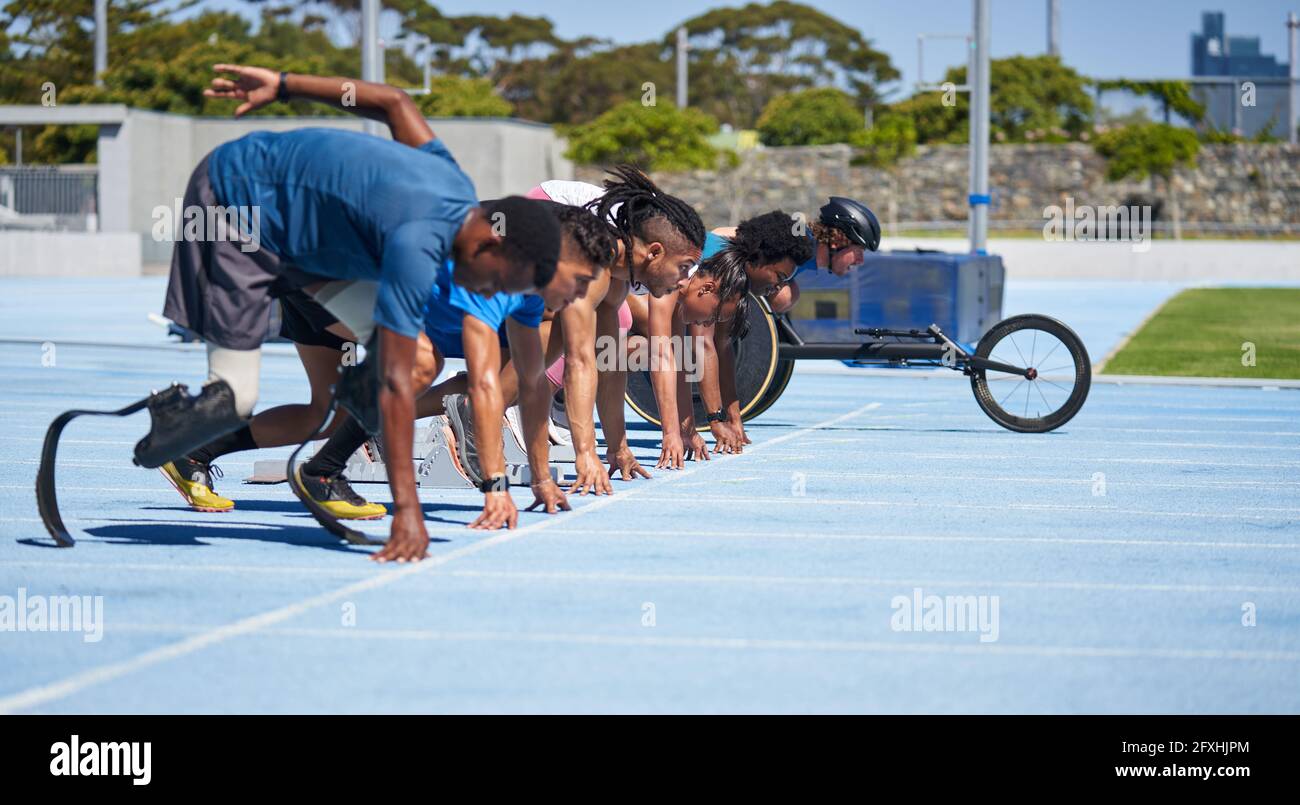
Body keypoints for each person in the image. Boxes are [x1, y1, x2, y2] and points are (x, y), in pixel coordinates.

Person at [149, 64, 562, 562]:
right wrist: (407, 513)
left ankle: (320, 465)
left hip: (310, 255)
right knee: (238, 398)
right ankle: (179, 418)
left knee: (411, 367)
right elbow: (391, 386)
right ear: (495, 244)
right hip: (235, 206)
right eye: (499, 281)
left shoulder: (452, 184)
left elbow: (395, 103)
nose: (492, 294)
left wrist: (283, 87)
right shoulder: (417, 247)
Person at [284, 202, 617, 529]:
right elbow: (483, 387)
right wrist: (495, 487)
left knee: (327, 413)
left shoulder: (527, 293)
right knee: (423, 363)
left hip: (361, 282)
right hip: (318, 272)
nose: (580, 296)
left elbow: (532, 383)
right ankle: (325, 465)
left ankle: (321, 464)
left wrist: (541, 478)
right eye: (580, 281)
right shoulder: (493, 276)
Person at [630, 198, 881, 459]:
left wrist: (733, 416)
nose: (861, 261)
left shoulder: (792, 256)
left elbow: (723, 346)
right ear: (838, 240)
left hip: (713, 275)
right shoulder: (791, 241)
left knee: (782, 299)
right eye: (860, 250)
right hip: (698, 269)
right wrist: (713, 421)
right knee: (666, 345)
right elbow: (702, 345)